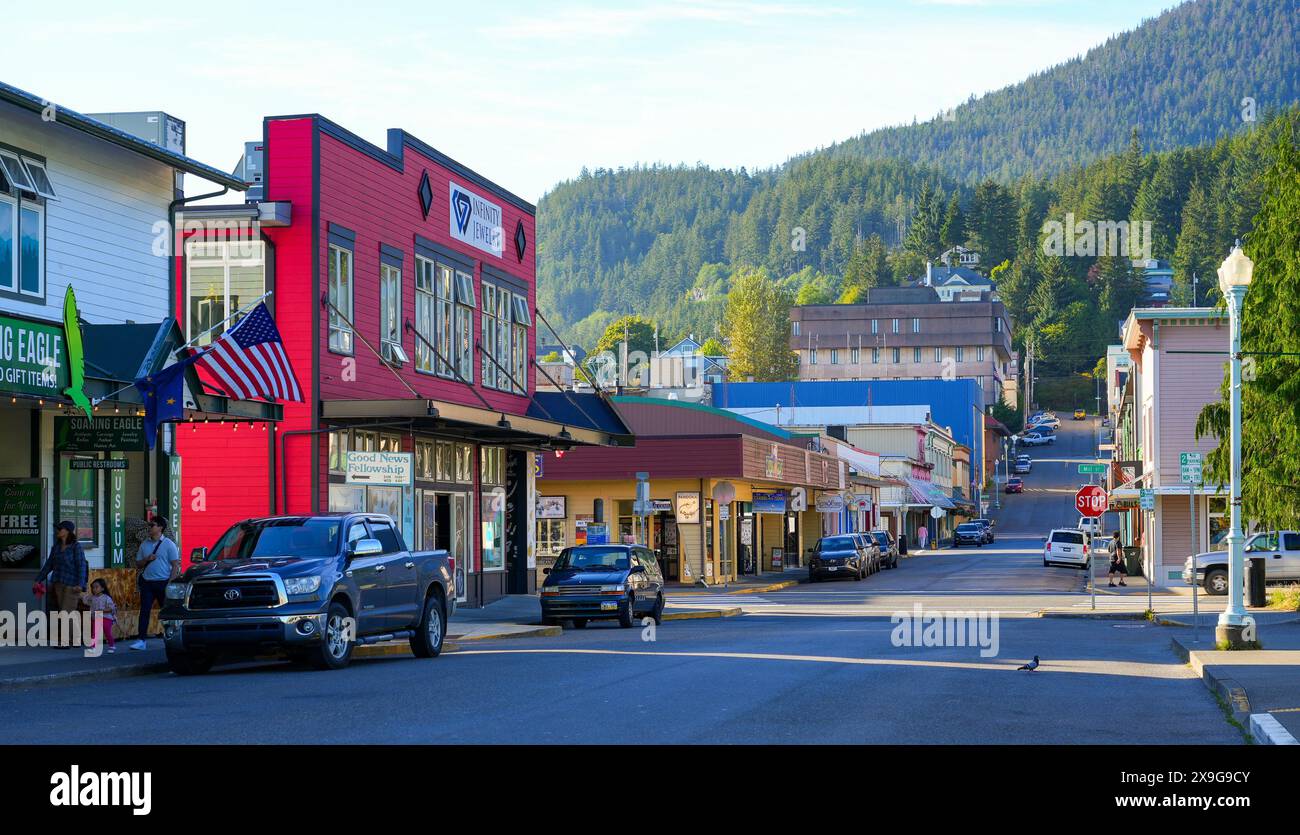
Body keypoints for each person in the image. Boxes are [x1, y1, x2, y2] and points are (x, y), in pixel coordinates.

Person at [131, 516, 180, 650]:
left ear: (160, 528)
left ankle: (172, 637)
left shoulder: (169, 544)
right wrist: (147, 559)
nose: (149, 527)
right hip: (147, 582)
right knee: (144, 611)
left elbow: (175, 565)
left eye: (152, 525)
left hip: (163, 582)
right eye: (149, 525)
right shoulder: (144, 544)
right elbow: (138, 564)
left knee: (167, 612)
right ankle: (141, 640)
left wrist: (170, 584)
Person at [36, 521, 88, 648]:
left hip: (73, 584)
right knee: (68, 612)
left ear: (67, 531)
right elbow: (49, 564)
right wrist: (38, 579)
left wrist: (81, 584)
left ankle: (64, 641)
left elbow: (81, 566)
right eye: (57, 528)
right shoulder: (56, 547)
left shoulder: (76, 547)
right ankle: (76, 639)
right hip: (58, 583)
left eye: (60, 528)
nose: (57, 531)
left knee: (65, 612)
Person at [80, 578, 118, 653]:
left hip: (107, 618)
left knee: (107, 633)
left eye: (96, 587)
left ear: (103, 588)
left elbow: (111, 608)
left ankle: (112, 645)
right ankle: (94, 647)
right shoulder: (92, 597)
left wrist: (101, 611)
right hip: (97, 618)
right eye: (93, 587)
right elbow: (85, 600)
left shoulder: (107, 598)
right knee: (95, 633)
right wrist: (80, 595)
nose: (94, 589)